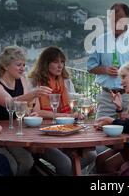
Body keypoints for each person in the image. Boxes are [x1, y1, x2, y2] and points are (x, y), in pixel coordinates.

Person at [0, 46, 52, 175]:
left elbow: (24, 106)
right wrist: (33, 94)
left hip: (15, 133)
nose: (22, 68)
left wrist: (31, 113)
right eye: (19, 65)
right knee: (25, 161)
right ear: (5, 66)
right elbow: (11, 103)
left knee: (36, 155)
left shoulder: (21, 80)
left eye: (24, 65)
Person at [28, 46, 96, 175]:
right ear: (46, 63)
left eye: (62, 62)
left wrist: (79, 113)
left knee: (90, 154)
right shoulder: (35, 82)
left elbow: (73, 101)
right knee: (65, 163)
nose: (60, 66)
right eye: (56, 62)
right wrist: (67, 115)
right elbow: (37, 113)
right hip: (42, 133)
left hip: (65, 128)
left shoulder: (64, 80)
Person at [87, 3, 129, 120]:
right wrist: (105, 69)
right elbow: (90, 67)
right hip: (107, 97)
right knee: (99, 131)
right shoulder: (101, 40)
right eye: (112, 19)